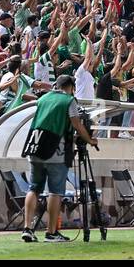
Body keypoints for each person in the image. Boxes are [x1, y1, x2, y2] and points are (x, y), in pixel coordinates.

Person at [21, 74, 97, 244]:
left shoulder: (43, 98)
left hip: (34, 147)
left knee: (34, 188)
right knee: (55, 191)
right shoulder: (69, 101)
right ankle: (51, 232)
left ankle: (27, 229)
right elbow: (76, 124)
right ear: (71, 87)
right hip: (55, 150)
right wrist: (90, 140)